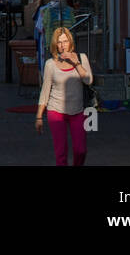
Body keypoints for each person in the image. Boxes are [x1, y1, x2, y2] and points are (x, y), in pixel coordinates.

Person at [34, 27, 93, 166]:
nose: (62, 45)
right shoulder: (50, 64)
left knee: (81, 150)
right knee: (61, 153)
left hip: (78, 110)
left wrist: (76, 63)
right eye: (59, 42)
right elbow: (45, 90)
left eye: (65, 41)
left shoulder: (81, 58)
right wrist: (39, 116)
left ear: (70, 42)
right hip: (56, 111)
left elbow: (88, 80)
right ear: (55, 45)